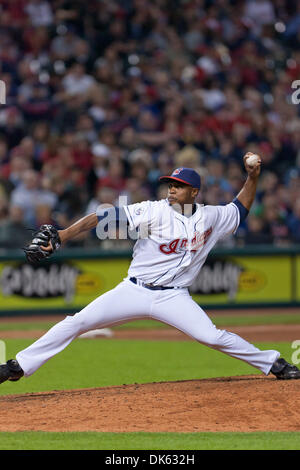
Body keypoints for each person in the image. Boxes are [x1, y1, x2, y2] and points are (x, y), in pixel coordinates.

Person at [1, 153, 300, 384]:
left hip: (174, 297)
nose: (171, 190)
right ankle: (18, 367)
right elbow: (103, 216)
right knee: (76, 322)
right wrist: (63, 235)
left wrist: (253, 176)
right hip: (134, 290)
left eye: (179, 186)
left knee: (211, 336)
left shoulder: (210, 217)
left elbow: (240, 209)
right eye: (170, 184)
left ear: (194, 192)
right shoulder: (152, 210)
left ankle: (274, 363)